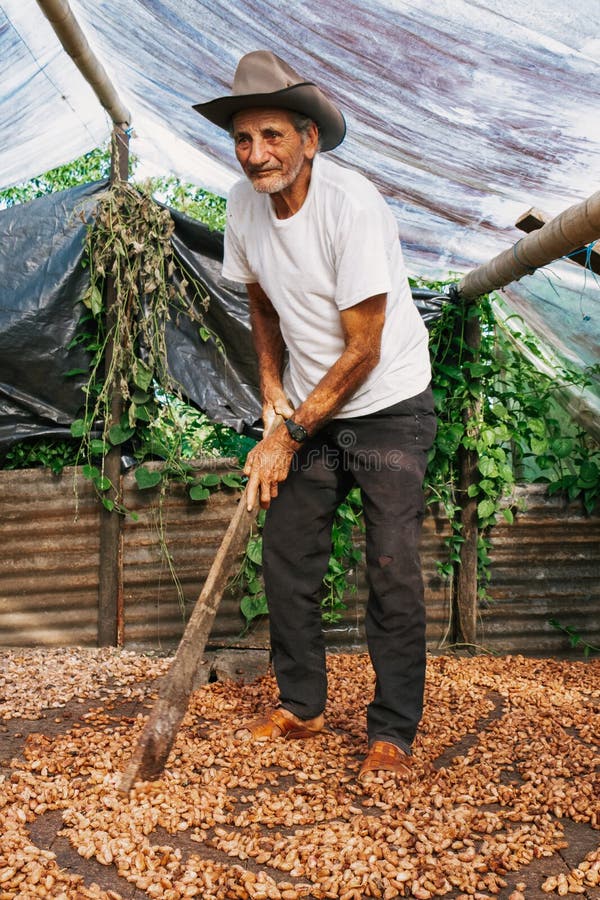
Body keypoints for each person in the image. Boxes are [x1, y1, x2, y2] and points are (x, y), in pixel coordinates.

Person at [193, 50, 436, 780]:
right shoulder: (243, 203)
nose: (255, 153)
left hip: (387, 400)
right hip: (308, 408)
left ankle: (393, 732)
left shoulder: (351, 205)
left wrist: (290, 433)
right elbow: (261, 302)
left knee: (391, 567)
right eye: (243, 138)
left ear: (309, 139)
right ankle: (302, 703)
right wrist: (274, 401)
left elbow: (365, 349)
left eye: (271, 135)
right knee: (290, 556)